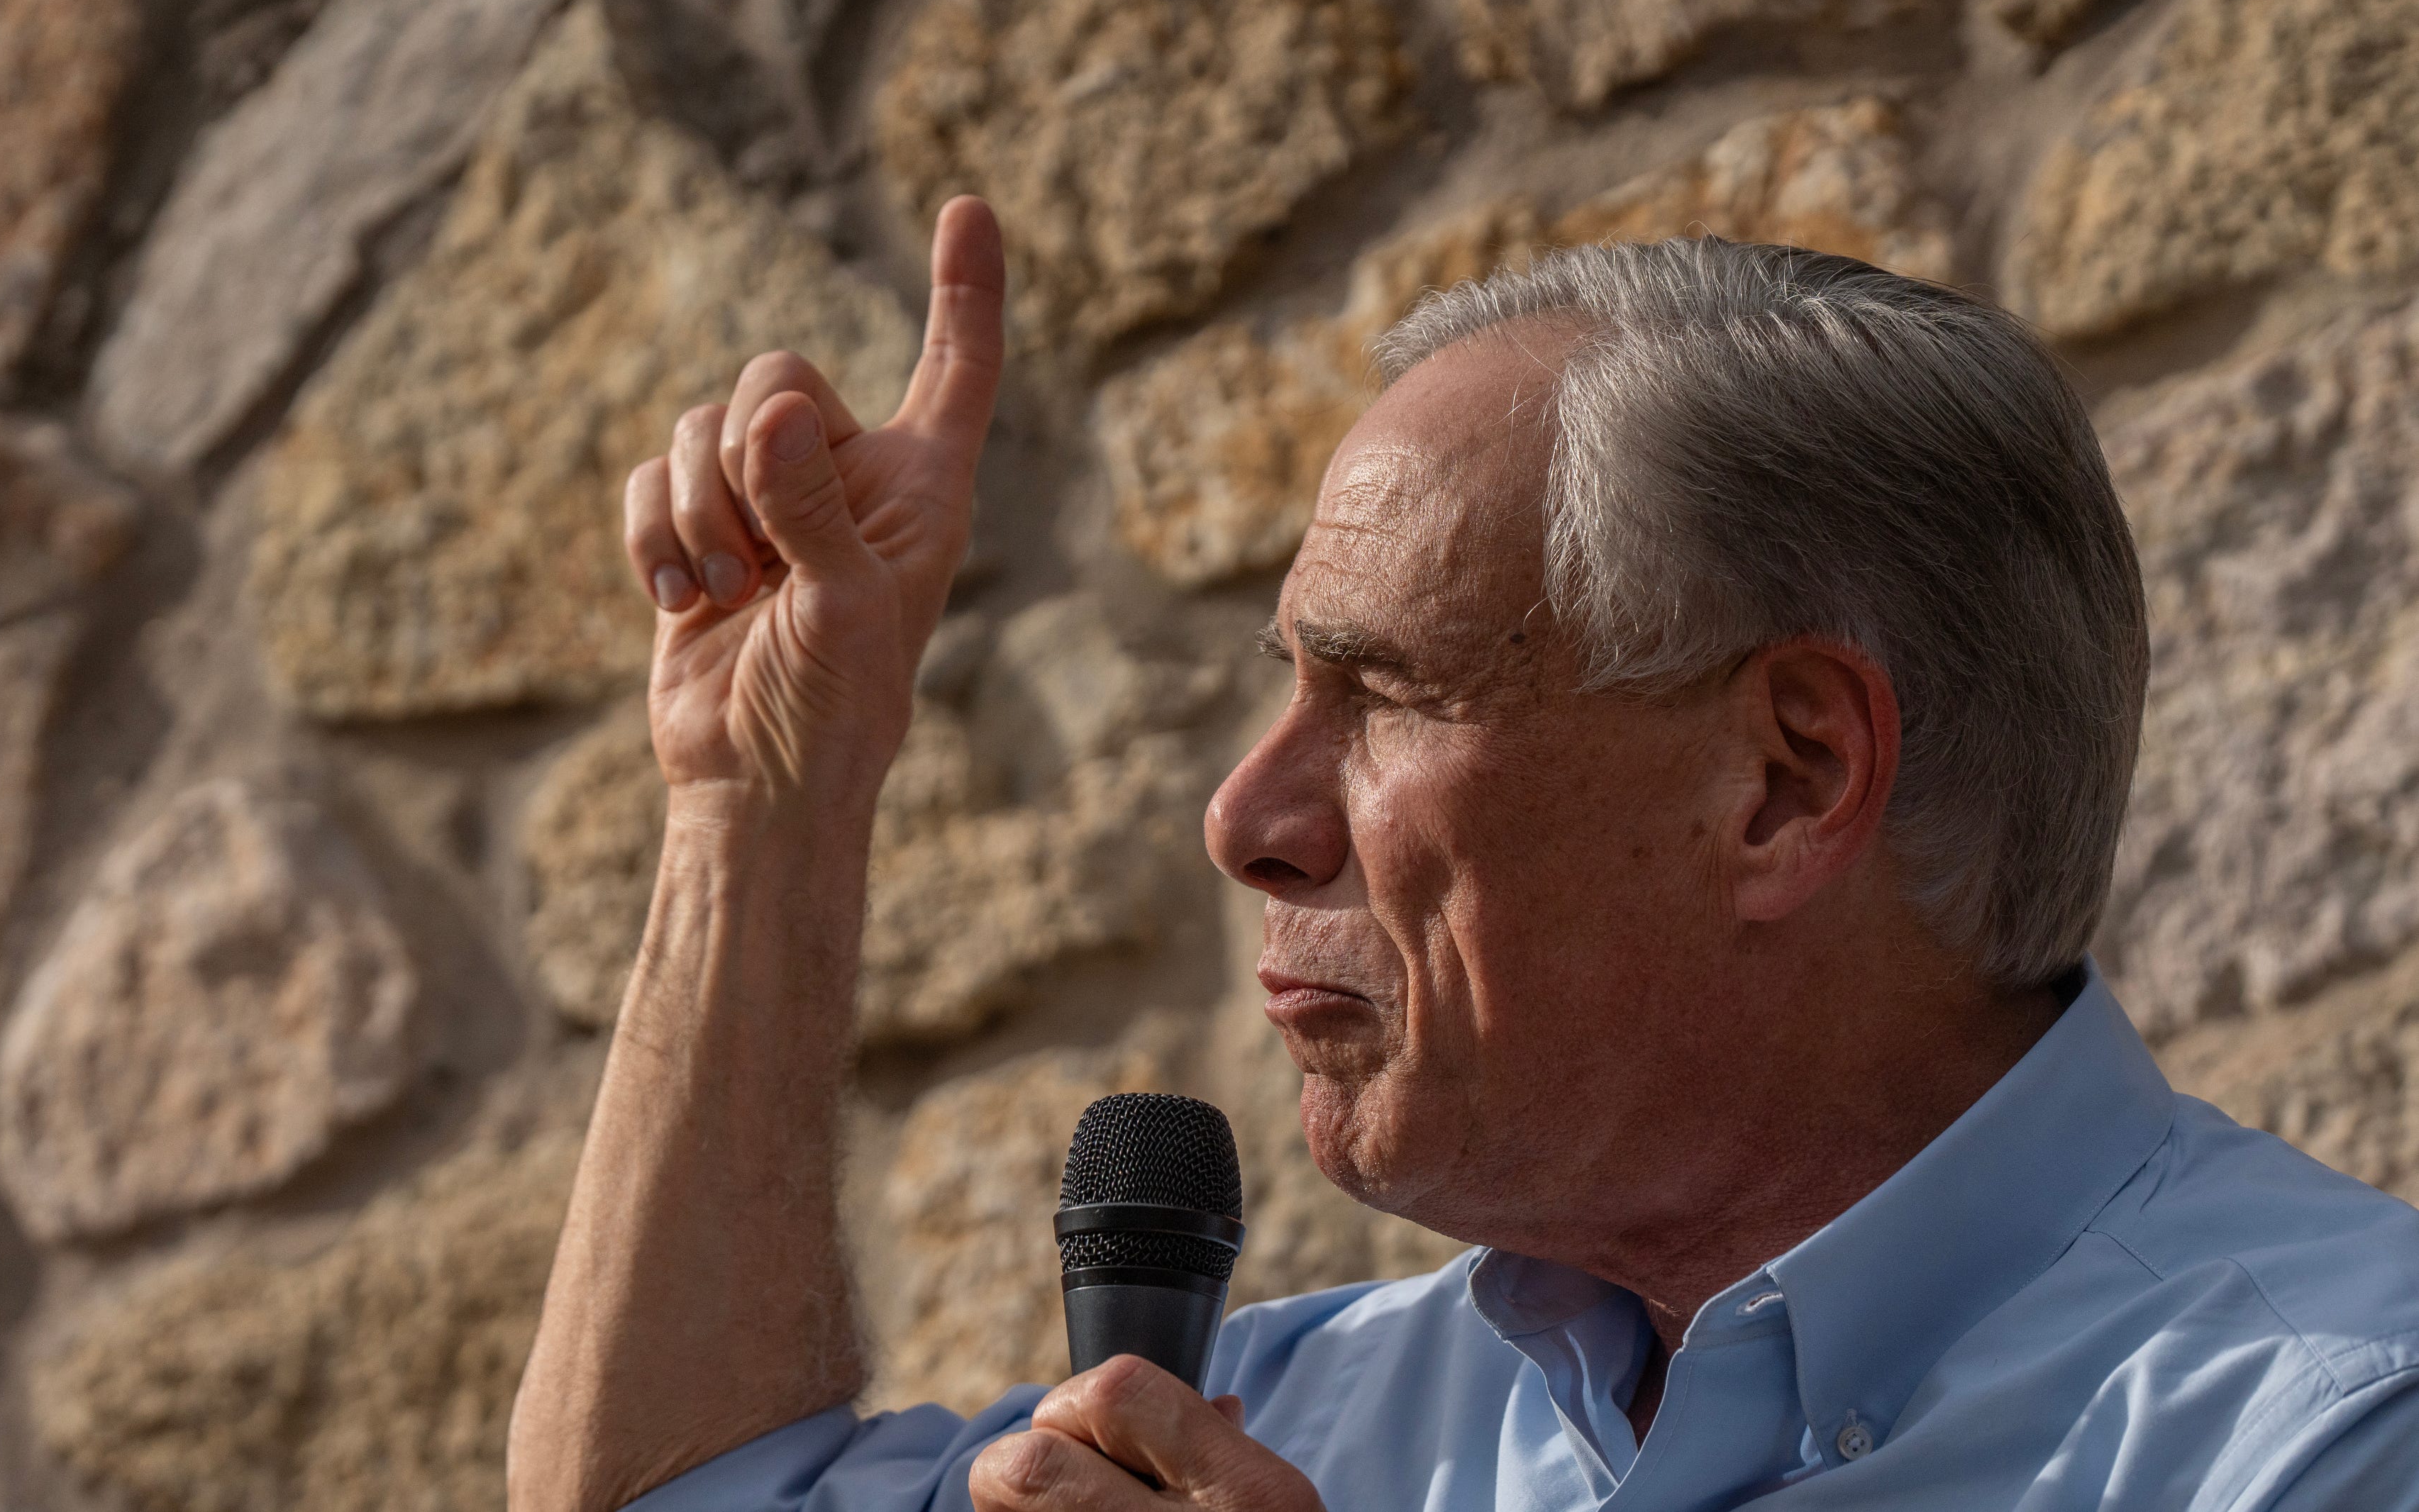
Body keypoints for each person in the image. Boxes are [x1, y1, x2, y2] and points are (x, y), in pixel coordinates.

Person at [507, 196, 2419, 1511]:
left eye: (1382, 695)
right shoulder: (1328, 1413)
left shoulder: (2324, 1436)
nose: (1248, 823)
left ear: (1783, 779)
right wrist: (763, 795)